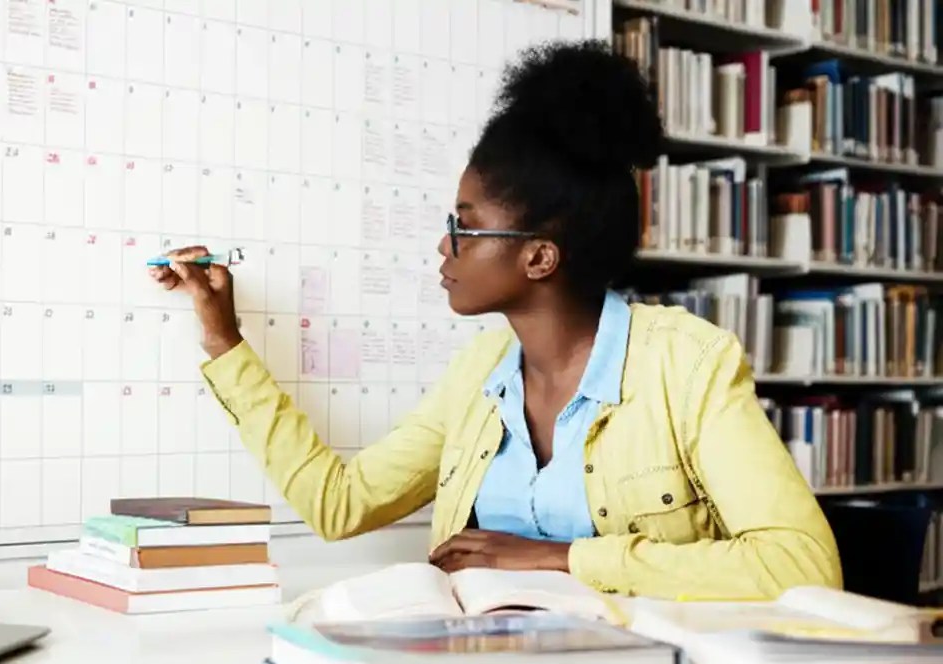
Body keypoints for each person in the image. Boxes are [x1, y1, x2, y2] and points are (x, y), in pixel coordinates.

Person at [148, 39, 841, 600]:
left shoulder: (687, 365)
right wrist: (222, 336)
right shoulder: (480, 374)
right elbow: (340, 504)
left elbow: (801, 565)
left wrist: (562, 559)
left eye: (466, 227)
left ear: (539, 256)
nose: (444, 246)